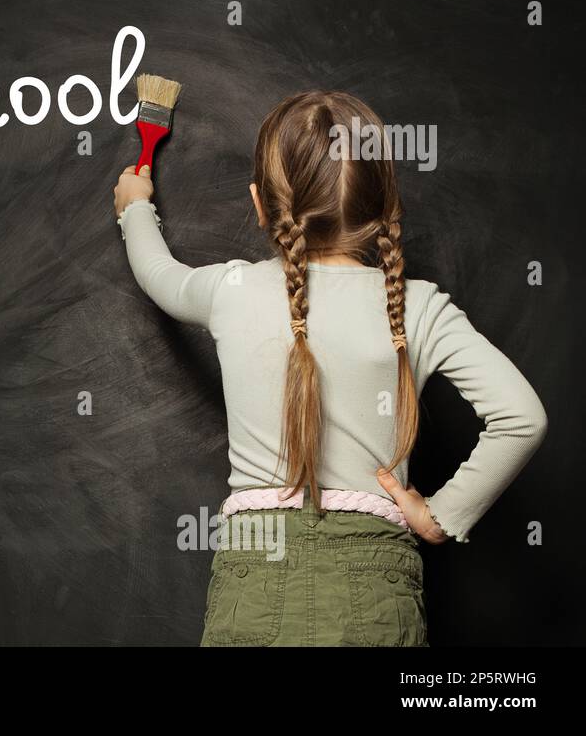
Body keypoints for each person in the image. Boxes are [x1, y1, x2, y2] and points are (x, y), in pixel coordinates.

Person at [112, 90, 548, 646]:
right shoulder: (418, 306)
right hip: (375, 585)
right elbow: (522, 419)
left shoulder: (232, 289)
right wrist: (439, 516)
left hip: (256, 572)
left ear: (260, 204)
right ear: (383, 204)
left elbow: (158, 273)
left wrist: (134, 205)